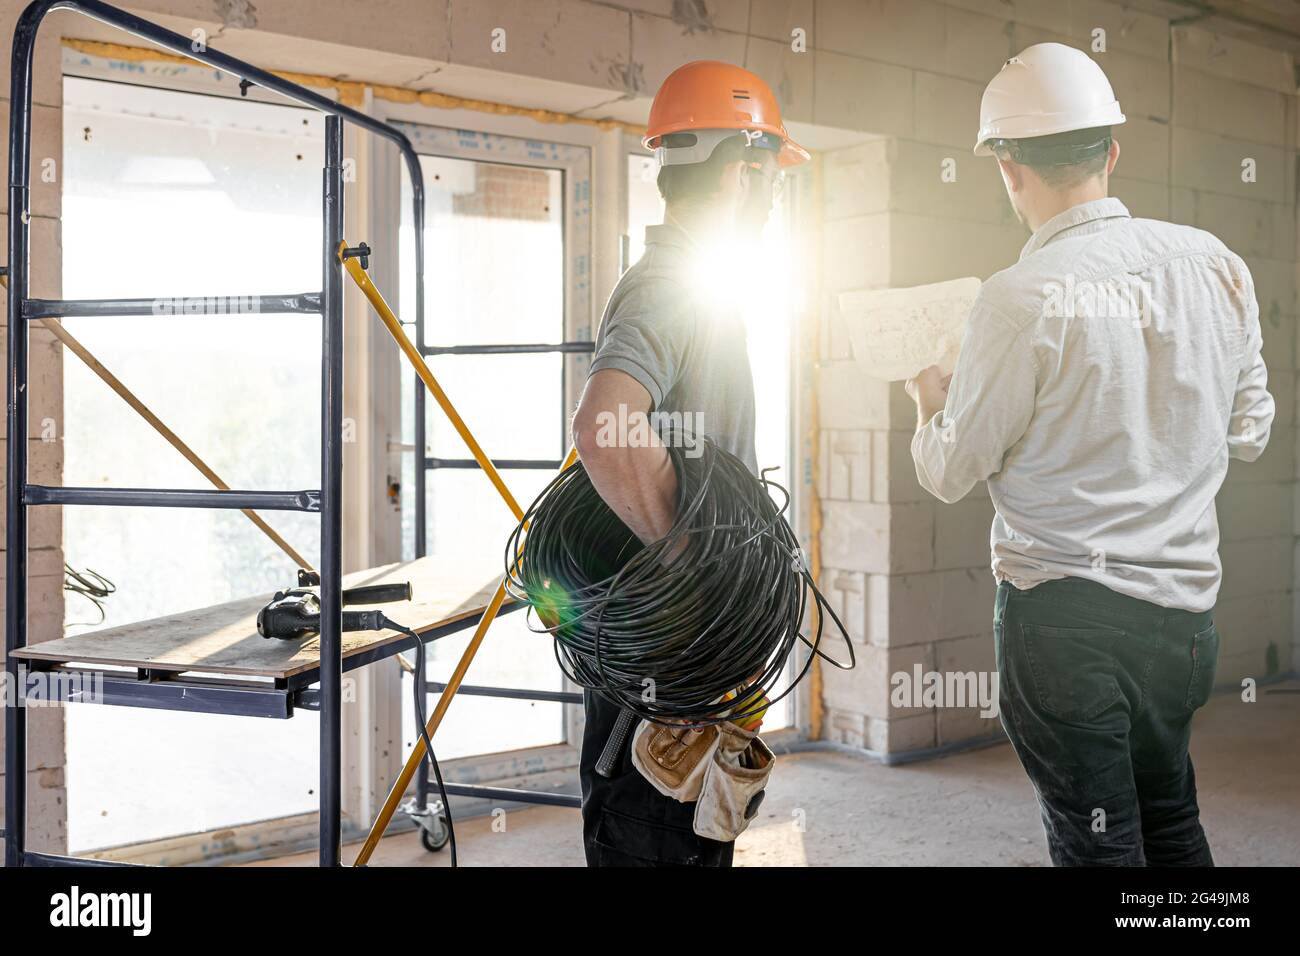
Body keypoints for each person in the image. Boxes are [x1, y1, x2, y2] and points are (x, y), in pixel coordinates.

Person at [906, 42, 1274, 866]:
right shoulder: (1217, 264)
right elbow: (1251, 433)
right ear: (1111, 151)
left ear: (1006, 167)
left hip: (1065, 626)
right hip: (1184, 623)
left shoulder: (1015, 301)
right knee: (1172, 820)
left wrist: (933, 405)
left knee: (1096, 842)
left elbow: (951, 471)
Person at [569, 60, 808, 867]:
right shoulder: (672, 285)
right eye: (771, 173)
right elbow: (605, 429)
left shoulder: (696, 283)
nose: (775, 196)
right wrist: (690, 571)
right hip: (666, 658)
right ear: (742, 171)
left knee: (696, 833)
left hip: (686, 656)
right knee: (658, 841)